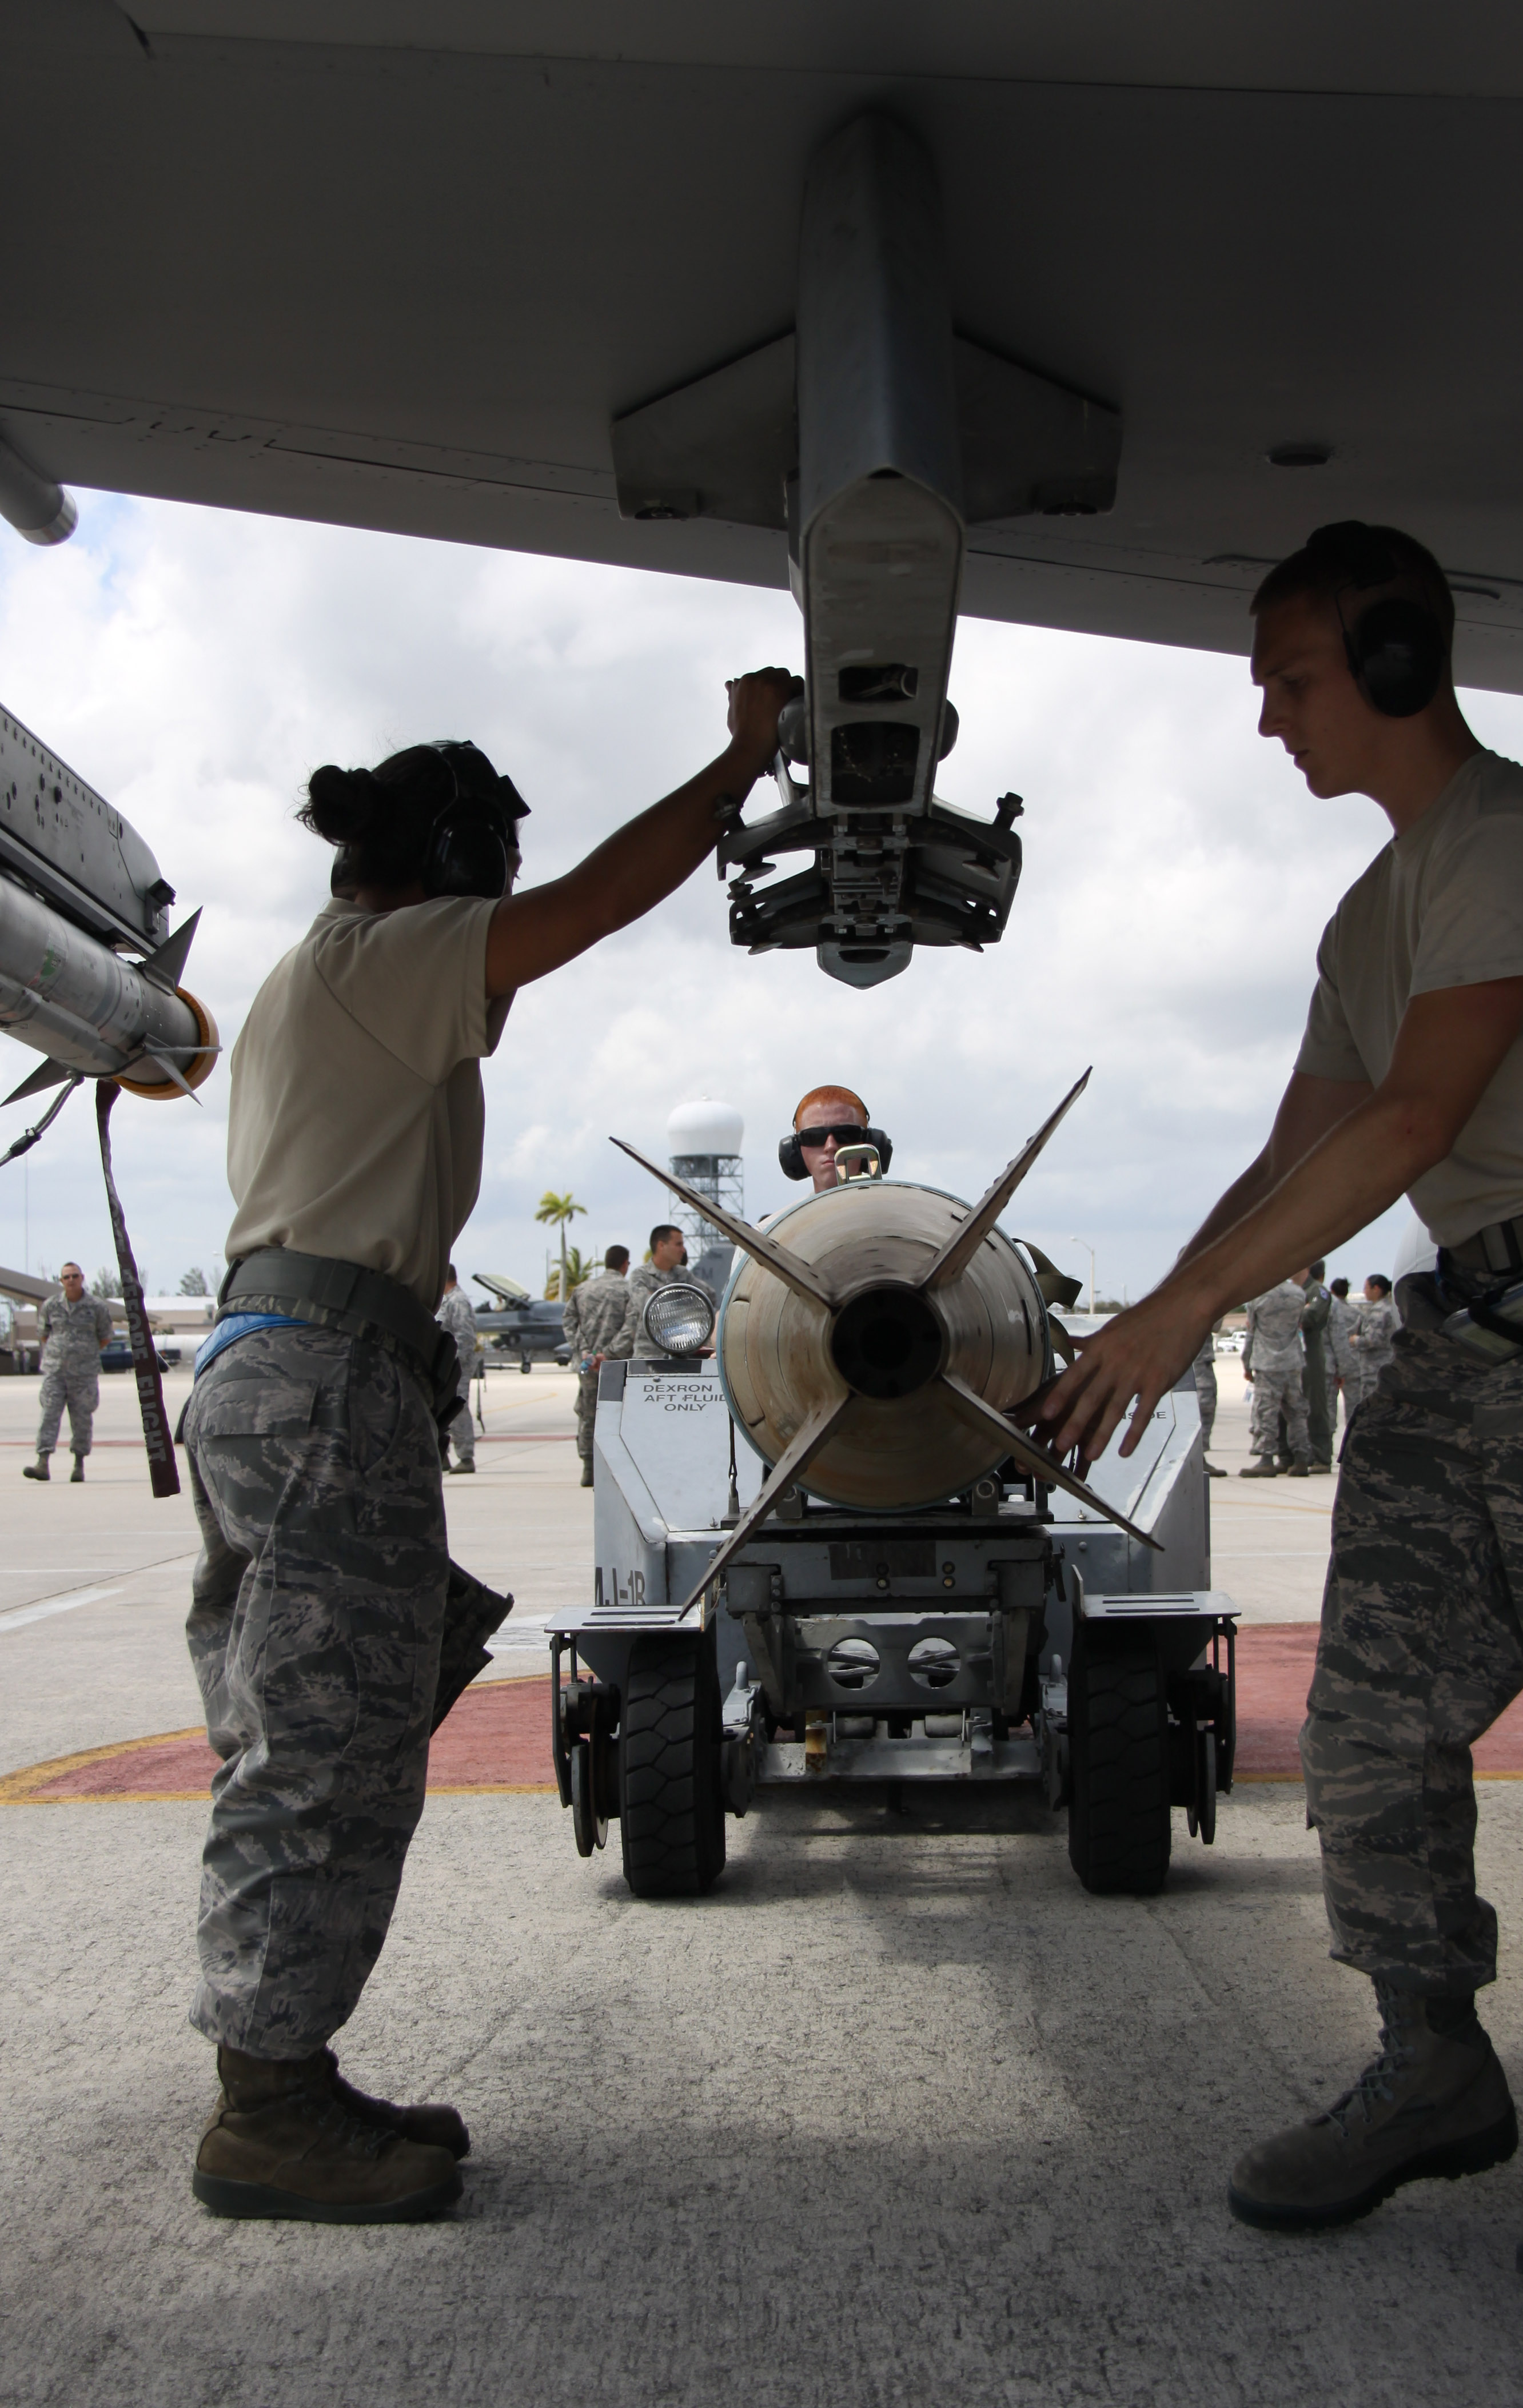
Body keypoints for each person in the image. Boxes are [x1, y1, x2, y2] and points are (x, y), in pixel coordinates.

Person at [1035, 519, 1523, 2289]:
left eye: (1289, 674)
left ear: (1396, 660)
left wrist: (1191, 1310)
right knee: (1364, 1721)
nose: (1266, 718)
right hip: (1466, 1349)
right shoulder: (1369, 907)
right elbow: (1299, 1146)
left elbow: (1411, 1120)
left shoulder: (1510, 842)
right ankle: (1432, 2064)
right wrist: (1137, 1322)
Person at [180, 668, 792, 2223]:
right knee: (321, 1746)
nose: (504, 931)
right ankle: (263, 2104)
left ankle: (288, 2070)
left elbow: (539, 940)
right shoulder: (390, 958)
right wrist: (737, 761)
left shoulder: (338, 970)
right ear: (453, 874)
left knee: (330, 1726)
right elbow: (591, 905)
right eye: (491, 891)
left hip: (300, 1372)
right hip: (323, 1380)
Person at [23, 1261, 113, 1484]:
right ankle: (43, 1463)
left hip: (84, 1374)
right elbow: (44, 1334)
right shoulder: (51, 1305)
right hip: (55, 1371)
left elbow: (105, 1337)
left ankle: (79, 1465)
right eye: (66, 1277)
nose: (71, 1280)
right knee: (49, 1415)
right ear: (61, 1281)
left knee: (82, 1419)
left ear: (82, 1278)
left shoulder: (97, 1307)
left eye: (74, 1276)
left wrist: (82, 1354)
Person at [561, 1242, 631, 1485]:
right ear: (625, 1264)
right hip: (618, 1365)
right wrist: (610, 1355)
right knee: (621, 1414)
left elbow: (569, 1320)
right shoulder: (628, 1289)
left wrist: (584, 1352)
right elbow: (632, 1326)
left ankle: (588, 1468)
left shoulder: (583, 1289)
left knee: (588, 1413)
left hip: (588, 1365)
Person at [1238, 1267, 1311, 1479]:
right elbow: (1298, 1325)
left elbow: (1251, 1333)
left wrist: (1246, 1364)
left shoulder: (1258, 1297)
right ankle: (1301, 1458)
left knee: (1266, 1413)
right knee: (1296, 1412)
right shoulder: (1298, 1294)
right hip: (1293, 1360)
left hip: (1267, 1362)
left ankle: (1267, 1458)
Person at [610, 1224, 715, 1366]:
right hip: (649, 1360)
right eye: (678, 1244)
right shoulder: (640, 1276)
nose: (683, 1250)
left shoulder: (683, 1274)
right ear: (661, 1246)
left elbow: (709, 1297)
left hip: (683, 1357)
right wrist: (684, 1304)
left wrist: (661, 1299)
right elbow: (648, 1308)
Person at [779, 1085, 892, 1194]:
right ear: (796, 1149)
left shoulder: (899, 1211)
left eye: (846, 1134)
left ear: (869, 1142)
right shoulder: (792, 1214)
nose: (831, 1146)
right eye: (814, 1137)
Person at [436, 1266, 479, 1474]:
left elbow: (466, 1336)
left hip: (457, 1364)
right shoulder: (448, 1300)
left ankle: (466, 1457)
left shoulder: (458, 1301)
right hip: (447, 1365)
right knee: (441, 1409)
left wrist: (452, 1361)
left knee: (458, 1407)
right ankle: (443, 1455)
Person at [1344, 1271, 1401, 1414]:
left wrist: (1355, 1340)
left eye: (1366, 1288)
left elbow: (1372, 1340)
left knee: (1372, 1408)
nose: (1364, 1291)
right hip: (1385, 1365)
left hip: (1374, 1369)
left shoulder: (1378, 1311)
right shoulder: (1389, 1308)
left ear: (1376, 1289)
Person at [1299, 1261, 1334, 1470]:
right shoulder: (1294, 1292)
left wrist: (1291, 1312)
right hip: (1293, 1357)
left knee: (1316, 1406)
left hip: (1311, 1356)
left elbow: (1312, 1316)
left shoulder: (1317, 1291)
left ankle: (1321, 1456)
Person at [1325, 1275, 1362, 1428]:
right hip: (1353, 1363)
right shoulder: (1356, 1314)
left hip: (1331, 1363)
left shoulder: (1329, 1310)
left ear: (1332, 1291)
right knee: (1353, 1406)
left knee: (1328, 1408)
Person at [1191, 1330, 1225, 1474]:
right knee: (1204, 1406)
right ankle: (1198, 1457)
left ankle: (1199, 1456)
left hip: (1196, 1360)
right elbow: (1216, 1323)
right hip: (1197, 1363)